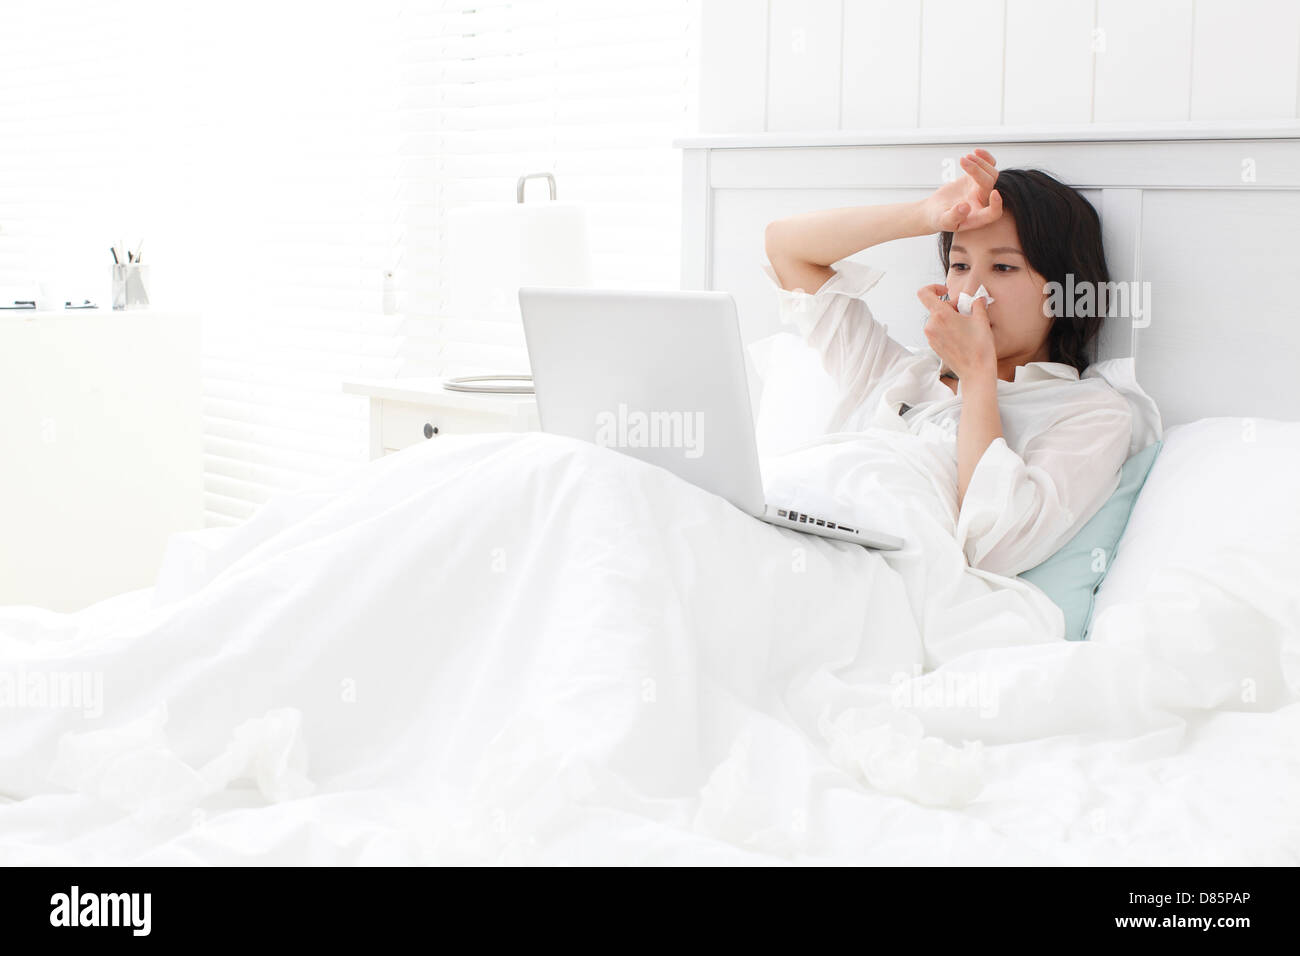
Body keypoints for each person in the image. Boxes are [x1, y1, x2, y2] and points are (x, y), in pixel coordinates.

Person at [762, 149, 1133, 578]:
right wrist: (923, 214)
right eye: (959, 264)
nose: (972, 291)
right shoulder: (892, 370)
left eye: (1003, 267)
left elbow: (996, 547)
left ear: (1066, 291)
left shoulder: (1090, 413)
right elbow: (785, 247)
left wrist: (978, 378)